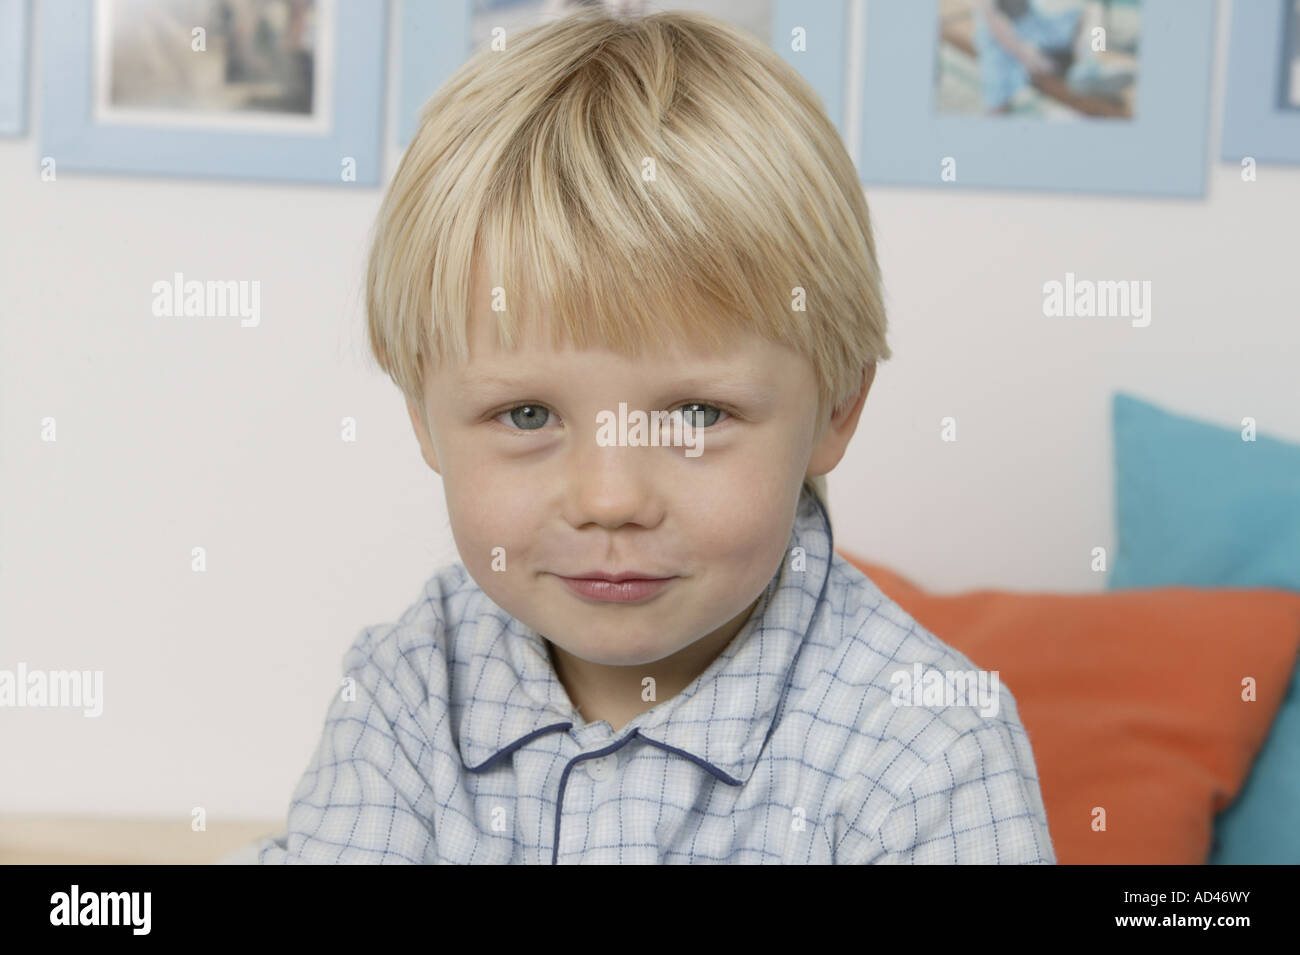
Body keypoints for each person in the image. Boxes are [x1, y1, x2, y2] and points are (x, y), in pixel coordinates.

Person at [253, 7, 1055, 864]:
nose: (611, 498)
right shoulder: (408, 689)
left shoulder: (929, 748)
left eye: (696, 415)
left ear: (837, 407)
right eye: (528, 415)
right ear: (422, 417)